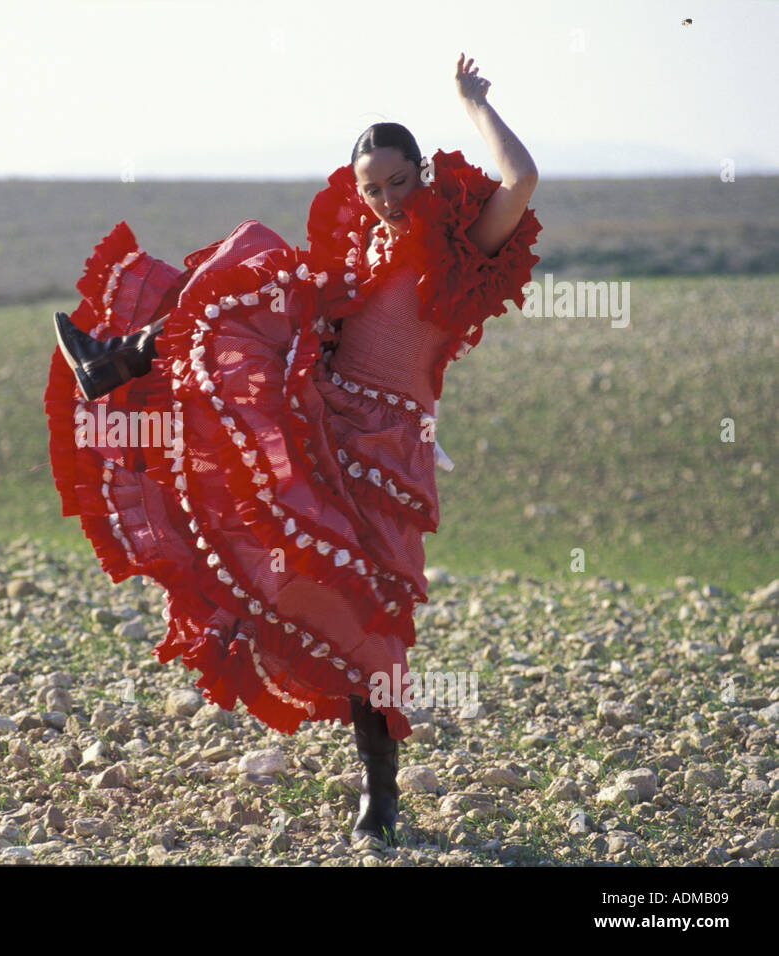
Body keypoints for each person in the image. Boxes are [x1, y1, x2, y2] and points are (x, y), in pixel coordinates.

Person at [44, 54, 541, 847]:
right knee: (250, 271)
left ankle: (380, 799)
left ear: (422, 173)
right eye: (370, 187)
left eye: (396, 181)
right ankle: (120, 359)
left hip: (388, 451)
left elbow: (520, 181)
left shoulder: (461, 249)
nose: (384, 198)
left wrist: (474, 103)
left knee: (369, 613)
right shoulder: (367, 255)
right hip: (321, 420)